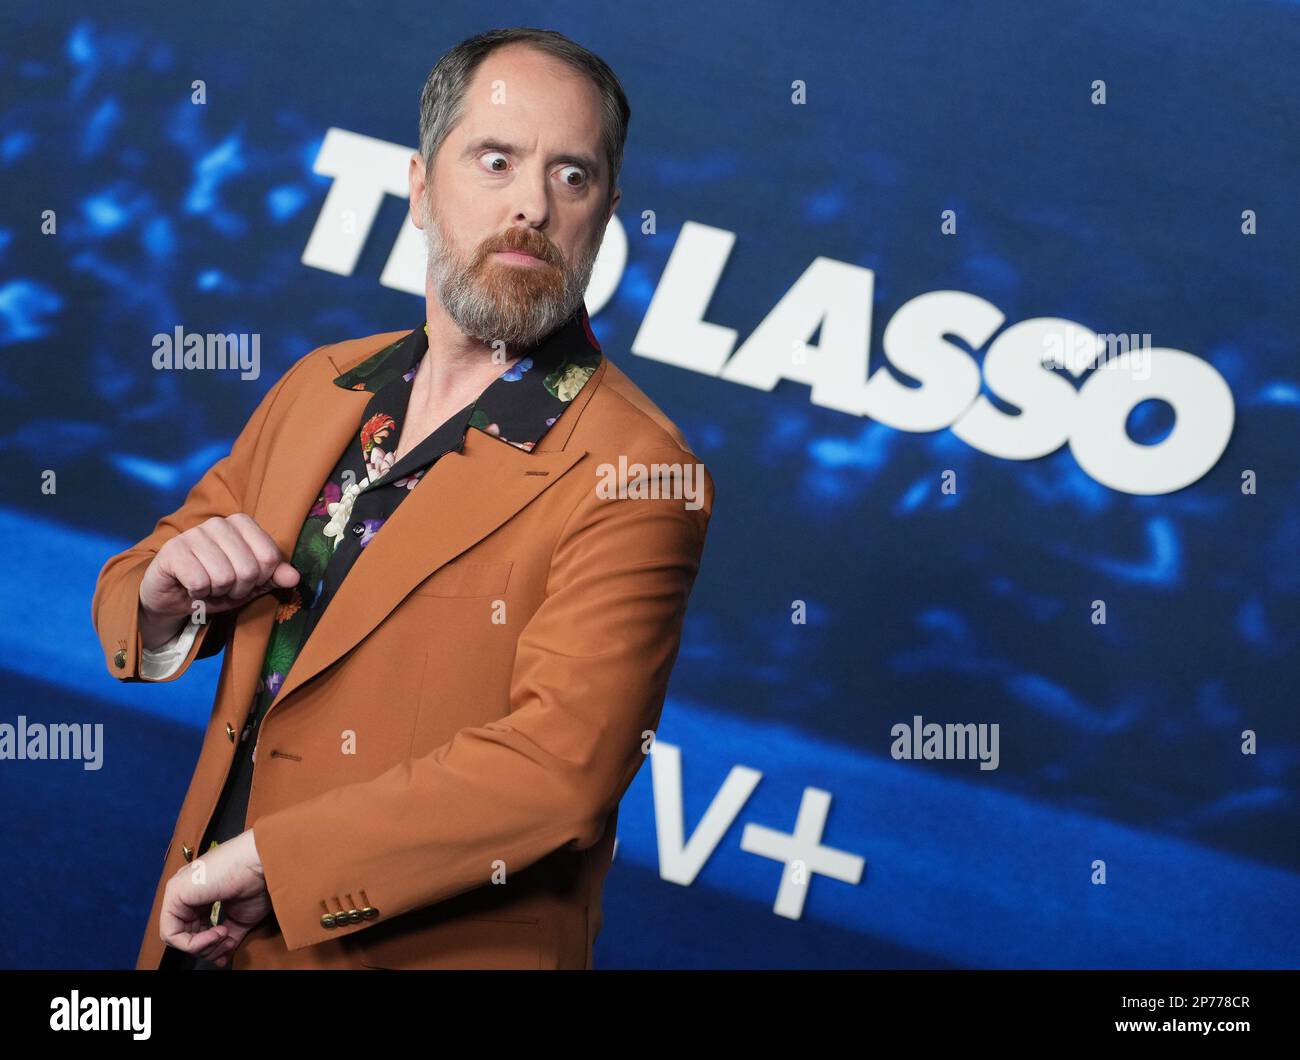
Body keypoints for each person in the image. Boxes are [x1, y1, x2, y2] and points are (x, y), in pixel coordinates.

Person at [91, 26, 714, 970]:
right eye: (495, 160)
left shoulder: (637, 469)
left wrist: (282, 866)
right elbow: (145, 572)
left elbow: (560, 773)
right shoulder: (323, 385)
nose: (533, 206)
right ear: (421, 188)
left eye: (573, 176)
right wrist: (163, 596)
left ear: (606, 214)